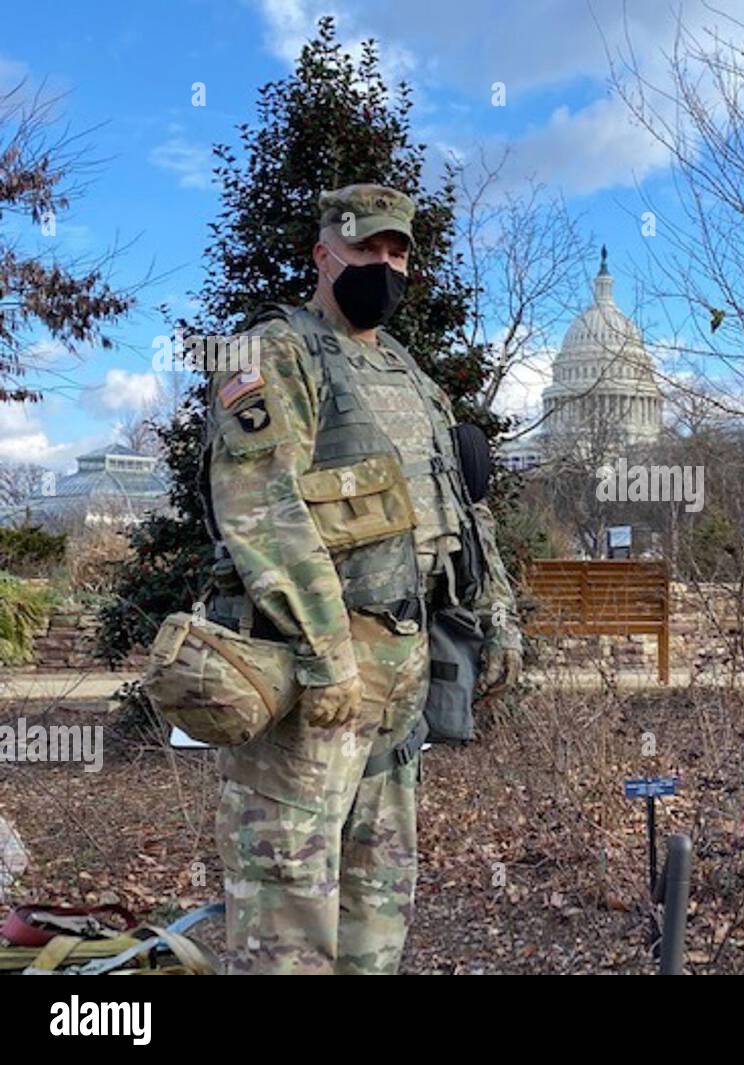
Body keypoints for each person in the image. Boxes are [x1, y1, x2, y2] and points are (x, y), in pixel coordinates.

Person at [202, 183, 522, 974]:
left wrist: (499, 617)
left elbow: (459, 511)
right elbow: (263, 514)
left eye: (397, 250)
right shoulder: (272, 355)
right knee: (287, 927)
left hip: (396, 690)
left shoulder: (413, 377)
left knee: (377, 920)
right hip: (311, 687)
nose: (384, 264)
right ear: (323, 253)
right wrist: (328, 655)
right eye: (366, 247)